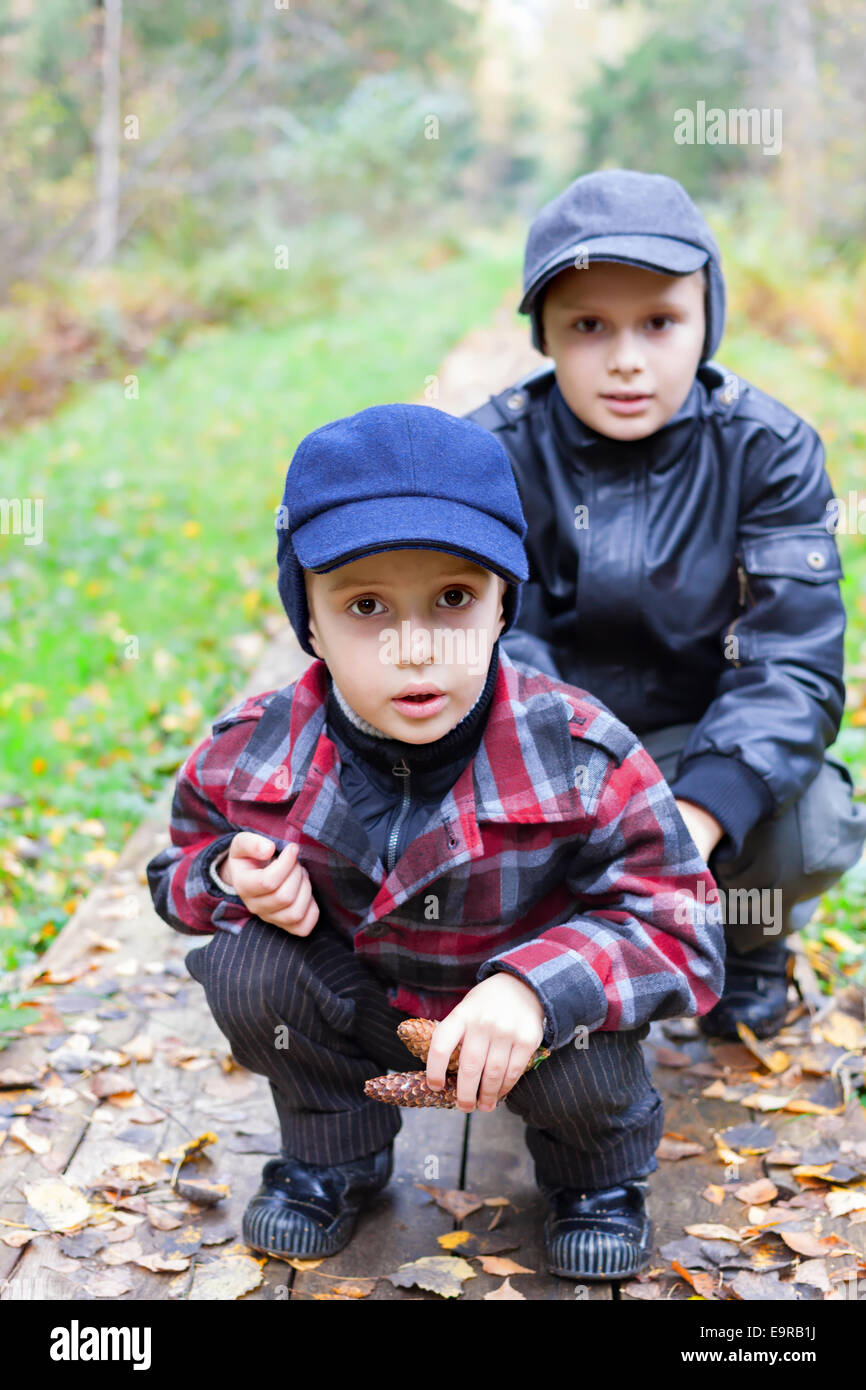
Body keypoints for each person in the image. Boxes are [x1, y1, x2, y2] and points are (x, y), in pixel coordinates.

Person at [146, 402, 724, 1282]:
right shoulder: (250, 751)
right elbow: (174, 874)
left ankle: (594, 1180)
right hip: (367, 1010)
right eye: (366, 606)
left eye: (453, 599)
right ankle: (335, 1157)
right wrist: (228, 873)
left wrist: (538, 988)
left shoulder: (581, 752)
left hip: (535, 1032)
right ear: (309, 622)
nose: (414, 647)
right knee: (247, 966)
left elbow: (682, 925)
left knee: (585, 1062)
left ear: (502, 609)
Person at [463, 168, 866, 1042]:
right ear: (546, 336)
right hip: (546, 749)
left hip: (699, 738)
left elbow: (790, 660)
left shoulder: (769, 449)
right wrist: (579, 788)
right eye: (588, 327)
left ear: (707, 320)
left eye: (659, 323)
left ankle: (747, 945)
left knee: (813, 828)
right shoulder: (489, 453)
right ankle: (562, 951)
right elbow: (493, 640)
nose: (627, 360)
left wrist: (694, 815)